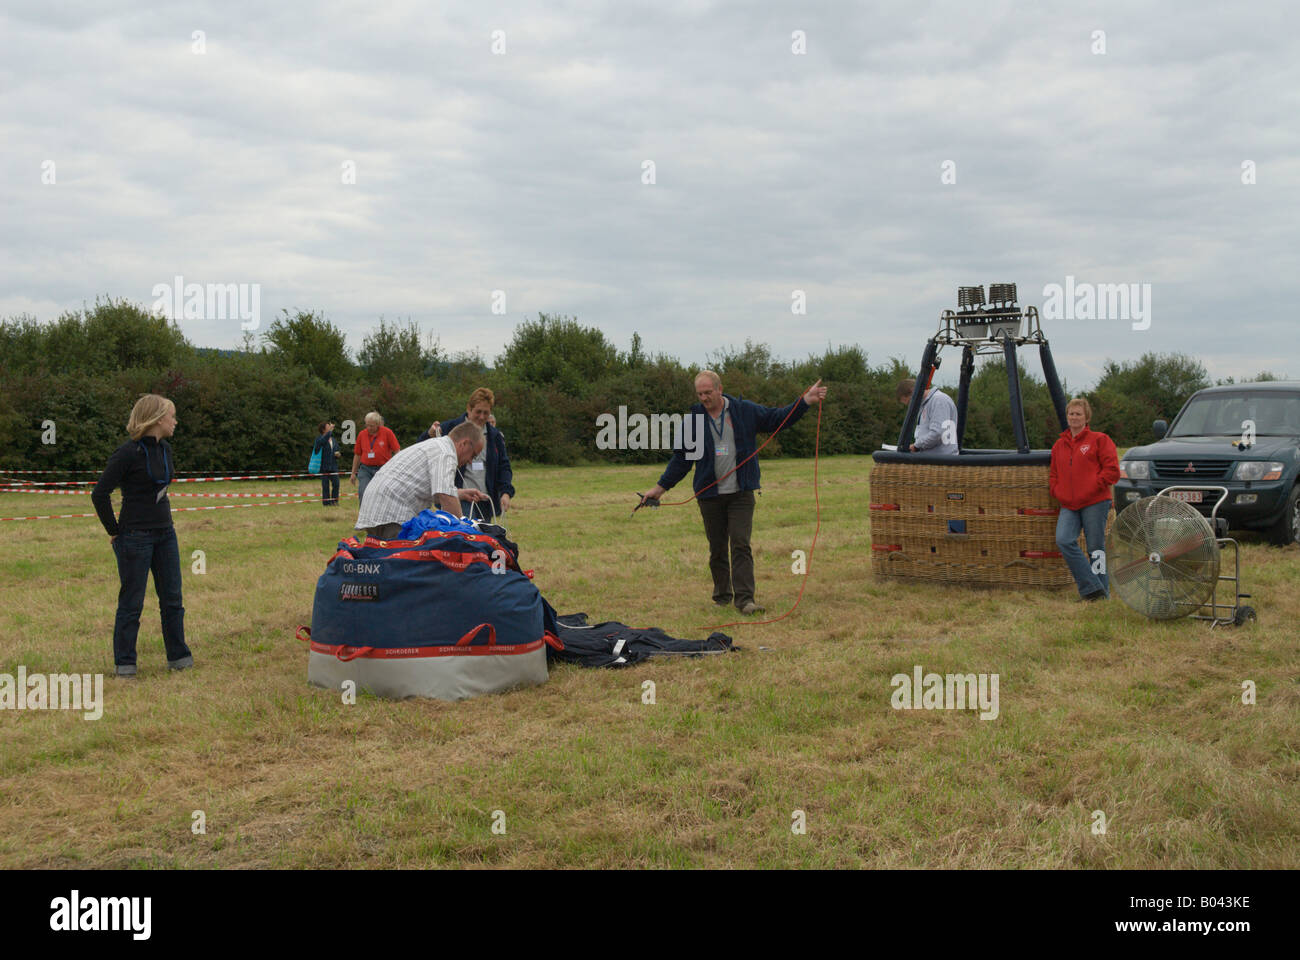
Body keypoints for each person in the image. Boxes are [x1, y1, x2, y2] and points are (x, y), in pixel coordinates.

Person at [640, 371, 828, 615]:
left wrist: (804, 401)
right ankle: (722, 595)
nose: (704, 398)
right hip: (709, 495)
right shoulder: (693, 421)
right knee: (717, 548)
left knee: (740, 543)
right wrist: (660, 488)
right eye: (700, 394)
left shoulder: (744, 410)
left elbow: (777, 418)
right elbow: (682, 460)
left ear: (720, 389)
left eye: (708, 392)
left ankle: (745, 600)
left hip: (741, 492)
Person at [90, 394, 194, 677]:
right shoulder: (126, 453)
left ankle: (179, 658)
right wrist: (115, 531)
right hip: (134, 537)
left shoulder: (166, 449)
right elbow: (99, 494)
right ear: (159, 418)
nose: (175, 421)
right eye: (172, 416)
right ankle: (125, 664)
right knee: (132, 603)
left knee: (172, 599)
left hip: (166, 534)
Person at [354, 421, 490, 540]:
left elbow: (436, 490)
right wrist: (464, 534)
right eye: (473, 455)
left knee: (384, 563)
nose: (471, 461)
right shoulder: (446, 453)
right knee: (403, 564)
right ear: (464, 444)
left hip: (377, 507)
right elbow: (446, 497)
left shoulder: (436, 446)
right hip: (394, 513)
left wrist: (460, 493)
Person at [1050, 397, 1120, 601]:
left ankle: (1102, 592)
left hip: (1095, 502)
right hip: (1069, 504)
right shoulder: (1059, 445)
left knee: (1095, 548)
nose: (1074, 417)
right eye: (1071, 413)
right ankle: (1092, 588)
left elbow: (1112, 471)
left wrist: (1094, 486)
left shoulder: (1100, 440)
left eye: (1078, 413)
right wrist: (1057, 490)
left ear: (1086, 417)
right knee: (1063, 540)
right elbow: (1053, 475)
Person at [414, 387, 515, 521]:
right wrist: (429, 434)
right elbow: (422, 447)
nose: (482, 417)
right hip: (459, 498)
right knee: (467, 536)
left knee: (483, 538)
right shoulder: (450, 428)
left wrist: (506, 493)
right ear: (469, 408)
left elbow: (504, 466)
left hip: (484, 501)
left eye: (486, 413)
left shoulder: (495, 436)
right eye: (478, 412)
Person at [349, 412, 400, 508]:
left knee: (383, 494)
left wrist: (396, 468)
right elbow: (357, 455)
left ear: (378, 424)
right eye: (367, 425)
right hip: (365, 469)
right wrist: (353, 473)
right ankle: (364, 518)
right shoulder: (362, 434)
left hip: (383, 469)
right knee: (363, 492)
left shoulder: (387, 433)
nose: (368, 428)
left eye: (371, 426)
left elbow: (397, 451)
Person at [897, 378, 959, 455]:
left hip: (941, 460)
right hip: (932, 459)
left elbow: (937, 433)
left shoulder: (938, 401)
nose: (910, 406)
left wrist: (916, 446)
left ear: (913, 391)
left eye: (909, 402)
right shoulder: (925, 404)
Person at [313, 421, 341, 506]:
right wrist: (330, 432)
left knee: (336, 484)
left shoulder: (333, 439)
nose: (330, 428)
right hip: (324, 466)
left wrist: (338, 454)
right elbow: (322, 442)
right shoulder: (319, 439)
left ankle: (334, 501)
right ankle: (326, 503)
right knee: (325, 486)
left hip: (333, 466)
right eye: (328, 427)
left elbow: (337, 449)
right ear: (323, 429)